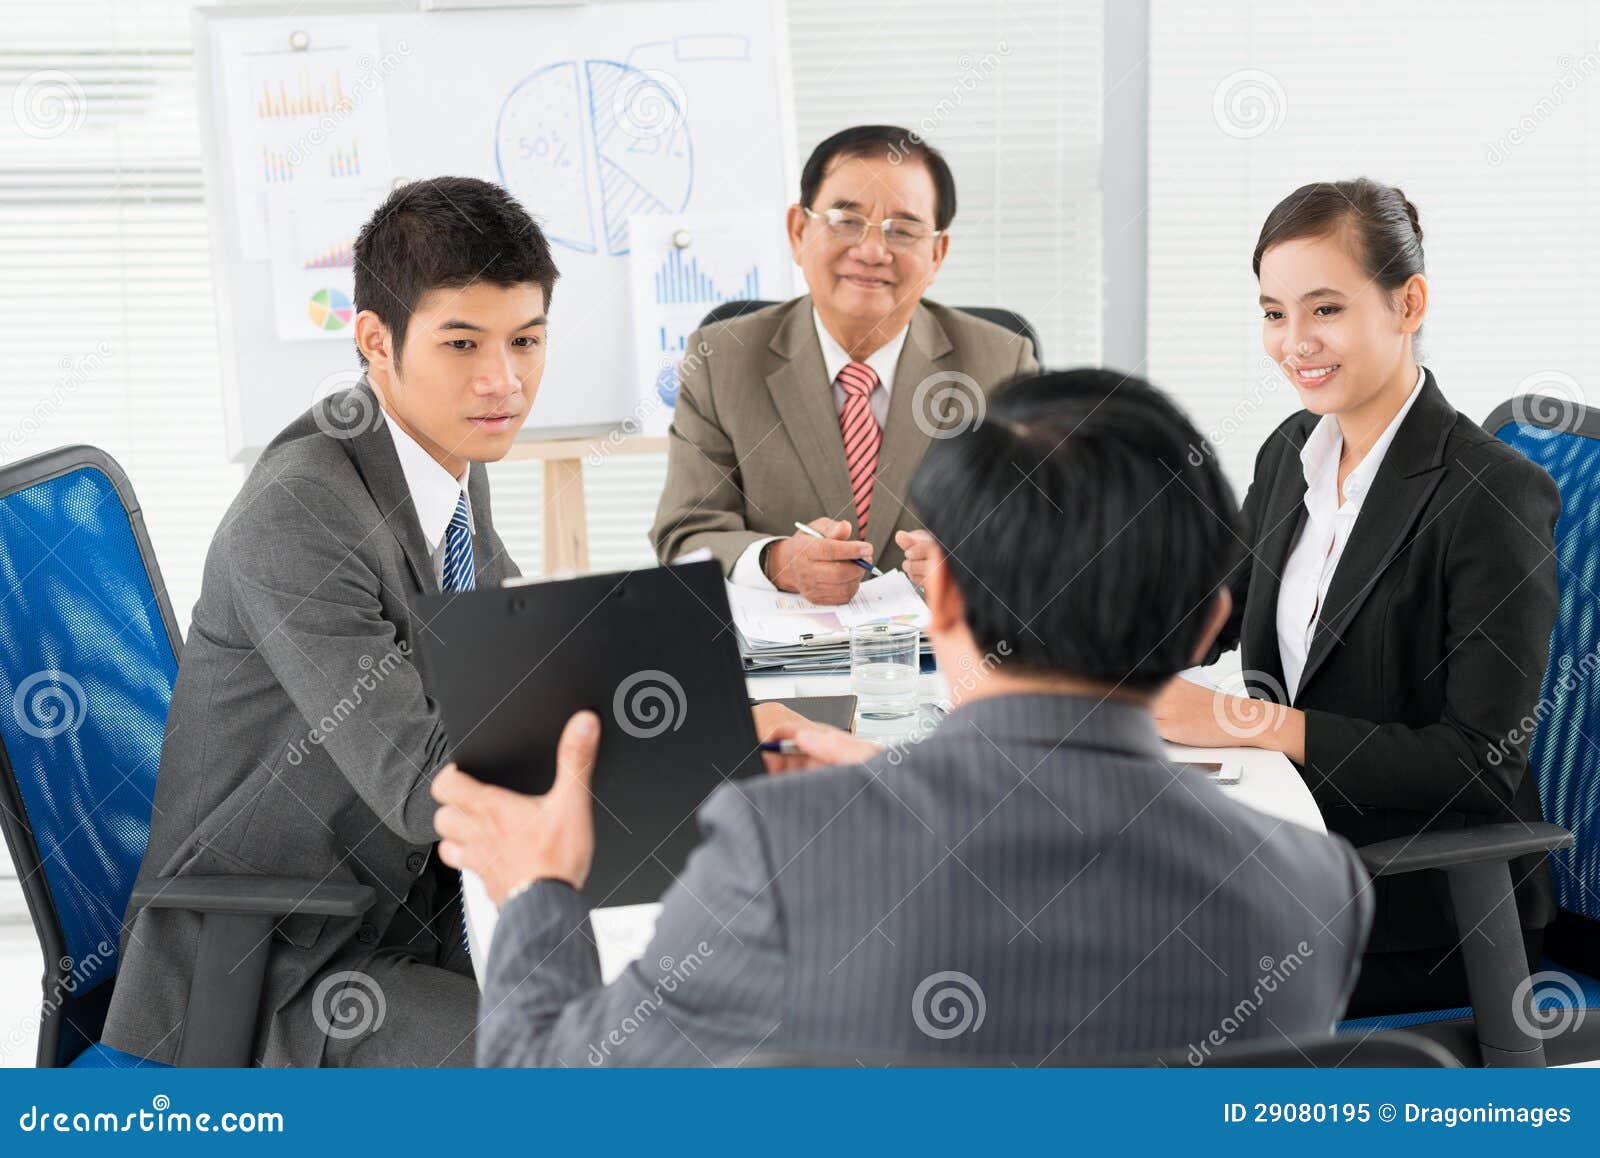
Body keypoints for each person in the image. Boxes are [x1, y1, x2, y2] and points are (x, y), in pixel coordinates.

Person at [438, 370, 1373, 1067]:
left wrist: (538, 889)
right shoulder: (1315, 888)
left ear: (945, 598)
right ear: (1212, 619)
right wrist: (883, 782)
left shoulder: (779, 850)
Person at [101, 177, 558, 1066]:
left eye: (526, 341)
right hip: (283, 966)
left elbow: (505, 667)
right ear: (375, 342)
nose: (503, 381)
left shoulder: (445, 452)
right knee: (574, 1062)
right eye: (462, 342)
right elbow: (425, 783)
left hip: (417, 907)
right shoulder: (303, 507)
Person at [1151, 179, 1561, 1018]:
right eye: (1273, 313)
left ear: (1407, 303)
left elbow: (1479, 762)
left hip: (1421, 905)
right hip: (1293, 842)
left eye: (1325, 309)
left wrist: (1246, 723)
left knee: (1117, 969)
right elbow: (1212, 613)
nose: (1294, 342)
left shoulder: (1490, 495)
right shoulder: (1294, 451)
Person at [649, 125, 1038, 604]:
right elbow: (684, 534)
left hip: (945, 659)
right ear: (798, 230)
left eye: (903, 229)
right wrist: (776, 562)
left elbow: (1042, 532)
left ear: (936, 253)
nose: (872, 251)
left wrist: (971, 559)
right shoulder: (721, 359)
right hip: (780, 666)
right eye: (846, 220)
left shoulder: (1000, 363)